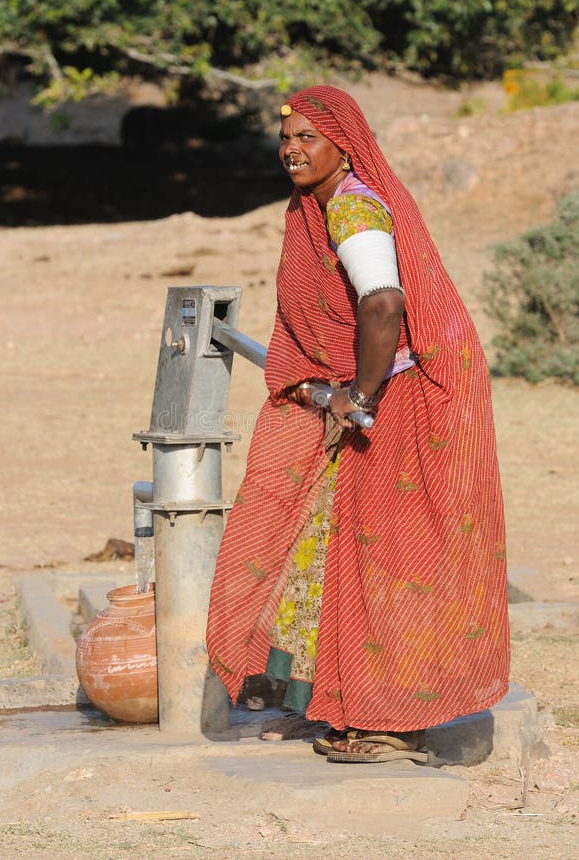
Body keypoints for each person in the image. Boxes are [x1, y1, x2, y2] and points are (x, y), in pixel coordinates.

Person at [206, 85, 510, 763]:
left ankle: (398, 718)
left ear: (343, 146)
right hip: (384, 387)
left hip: (411, 392)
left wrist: (357, 400)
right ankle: (343, 702)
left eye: (307, 137)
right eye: (285, 138)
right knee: (335, 544)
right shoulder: (312, 207)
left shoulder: (351, 206)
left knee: (396, 554)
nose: (291, 150)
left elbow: (381, 305)